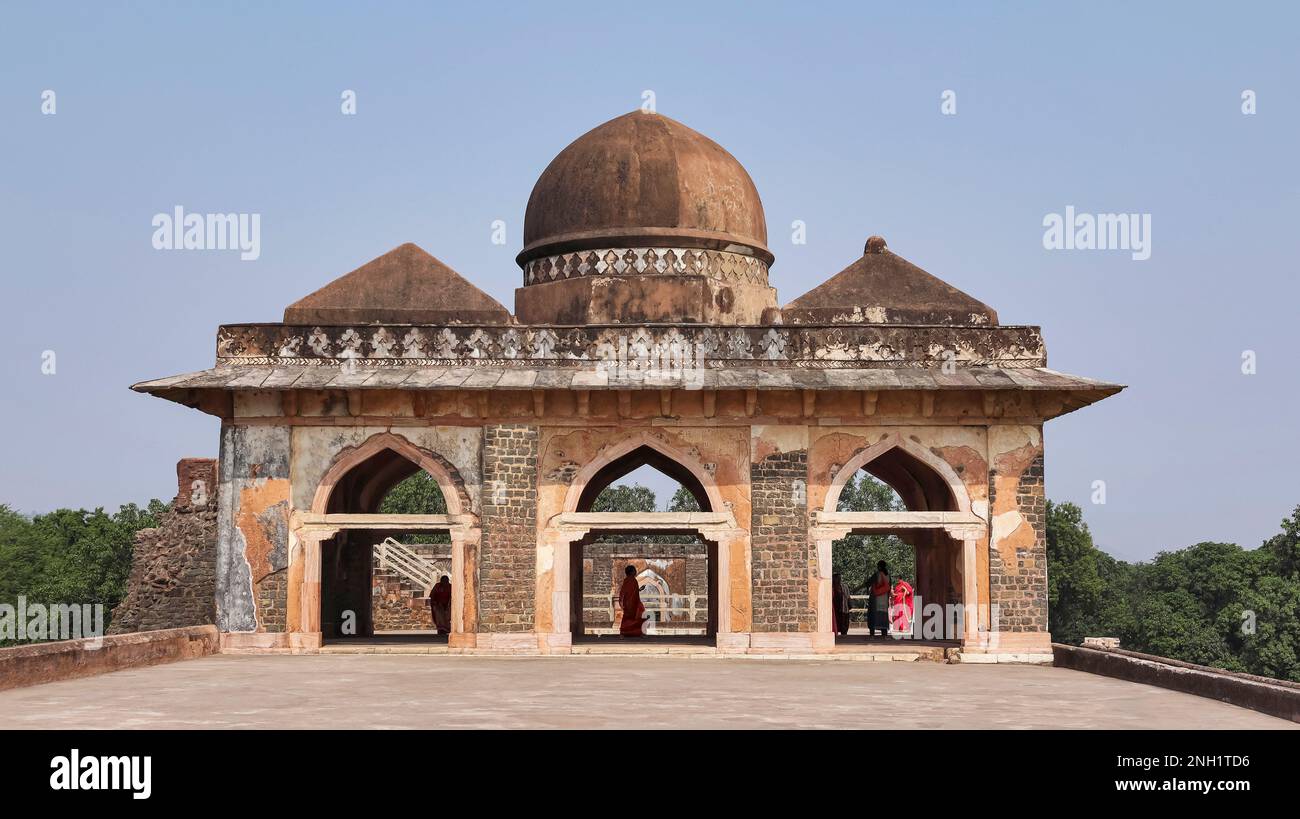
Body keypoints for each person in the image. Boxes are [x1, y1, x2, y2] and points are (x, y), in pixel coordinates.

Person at [618, 565, 647, 637]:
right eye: (634, 570)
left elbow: (630, 591)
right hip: (632, 602)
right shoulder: (632, 580)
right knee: (638, 616)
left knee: (628, 618)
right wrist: (621, 601)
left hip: (630, 602)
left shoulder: (628, 580)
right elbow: (625, 591)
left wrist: (639, 589)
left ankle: (625, 632)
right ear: (631, 572)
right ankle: (638, 632)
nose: (636, 572)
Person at [869, 560, 892, 637]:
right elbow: (889, 589)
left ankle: (872, 634)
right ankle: (884, 634)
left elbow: (868, 583)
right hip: (884, 599)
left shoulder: (876, 575)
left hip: (875, 599)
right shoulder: (888, 576)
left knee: (873, 616)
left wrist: (856, 589)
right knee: (883, 616)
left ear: (878, 566)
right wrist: (888, 600)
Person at [832, 572, 851, 636]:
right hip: (836, 608)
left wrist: (849, 604)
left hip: (844, 607)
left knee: (844, 624)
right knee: (837, 623)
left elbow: (848, 597)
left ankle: (844, 635)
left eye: (839, 578)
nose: (839, 579)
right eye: (837, 578)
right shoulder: (832, 587)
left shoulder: (844, 586)